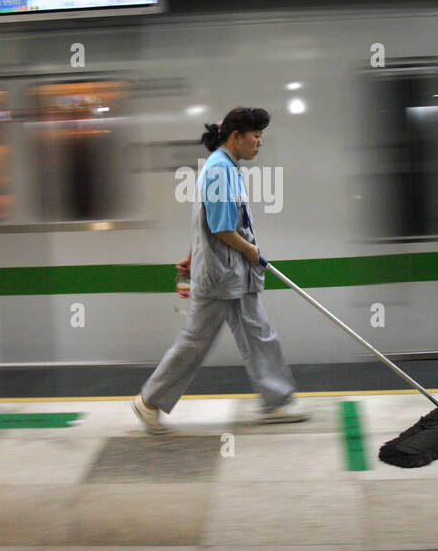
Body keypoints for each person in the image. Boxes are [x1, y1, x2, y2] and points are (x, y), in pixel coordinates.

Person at [132, 106, 308, 433]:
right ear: (236, 136)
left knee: (258, 334)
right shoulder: (219, 171)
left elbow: (204, 223)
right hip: (222, 278)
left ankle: (277, 400)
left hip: (231, 274)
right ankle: (149, 402)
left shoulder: (224, 166)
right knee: (195, 342)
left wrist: (191, 255)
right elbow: (221, 229)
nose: (259, 142)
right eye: (255, 136)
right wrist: (251, 250)